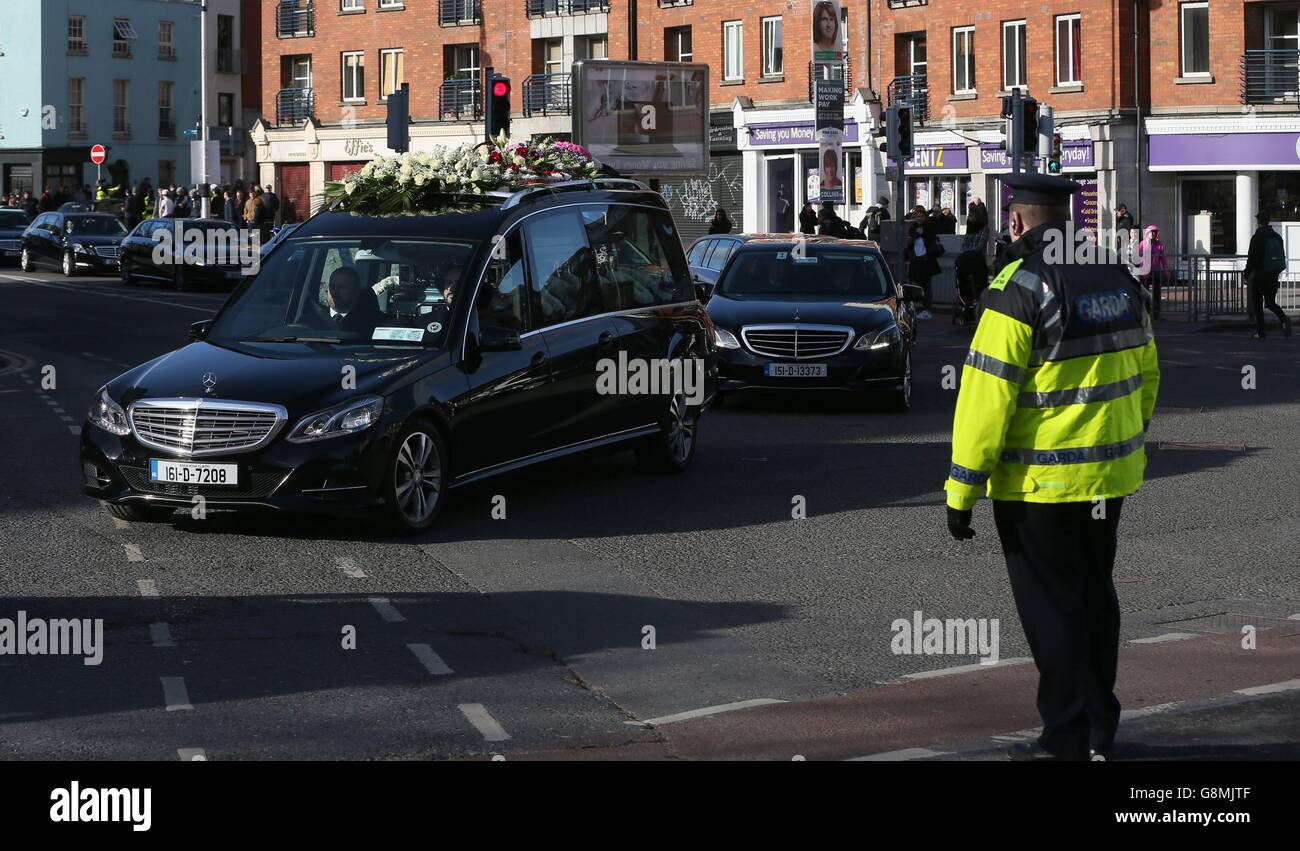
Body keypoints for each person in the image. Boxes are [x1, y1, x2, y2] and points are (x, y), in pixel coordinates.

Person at [945, 172, 1160, 762]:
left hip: (1038, 487)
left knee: (1054, 612)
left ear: (1015, 222)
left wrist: (961, 490)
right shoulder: (1120, 278)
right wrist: (1127, 441)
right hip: (1108, 481)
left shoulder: (1019, 288)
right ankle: (1097, 728)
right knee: (1095, 599)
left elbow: (985, 401)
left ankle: (1063, 742)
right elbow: (1147, 376)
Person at [1242, 209, 1293, 340]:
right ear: (1268, 221)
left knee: (1258, 304)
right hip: (1273, 274)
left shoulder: (1257, 237)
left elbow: (1252, 258)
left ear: (1259, 222)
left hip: (1260, 275)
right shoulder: (1277, 237)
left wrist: (1246, 274)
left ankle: (1261, 332)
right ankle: (1283, 318)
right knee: (1270, 302)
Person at [906, 207, 941, 318]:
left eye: (921, 216)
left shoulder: (929, 227)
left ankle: (927, 308)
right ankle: (918, 308)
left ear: (925, 217)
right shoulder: (913, 228)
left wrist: (922, 234)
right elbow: (910, 243)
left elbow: (931, 240)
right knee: (916, 284)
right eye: (917, 216)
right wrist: (916, 235)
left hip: (926, 260)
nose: (919, 219)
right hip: (916, 260)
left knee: (926, 285)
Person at [1135, 224, 1168, 320]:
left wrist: (1165, 270)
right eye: (1151, 232)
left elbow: (1163, 258)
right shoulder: (1142, 244)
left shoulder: (1160, 244)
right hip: (1145, 272)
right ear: (1147, 233)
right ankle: (1146, 314)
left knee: (1157, 293)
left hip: (1156, 271)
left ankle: (1156, 314)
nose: (1153, 234)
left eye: (1155, 232)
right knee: (1145, 294)